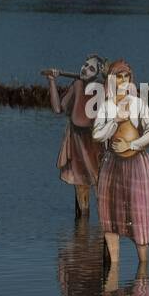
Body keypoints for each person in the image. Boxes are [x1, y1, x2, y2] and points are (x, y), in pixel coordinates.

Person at [92, 60, 149, 265]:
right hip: (112, 166)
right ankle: (113, 271)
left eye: (126, 77)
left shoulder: (138, 104)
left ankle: (143, 270)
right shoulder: (106, 106)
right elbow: (97, 135)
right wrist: (115, 121)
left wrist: (132, 146)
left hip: (137, 165)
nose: (122, 81)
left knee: (139, 217)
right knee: (110, 217)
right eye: (118, 77)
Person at [41, 55, 108, 218]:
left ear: (98, 73)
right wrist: (51, 81)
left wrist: (107, 77)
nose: (85, 69)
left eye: (91, 68)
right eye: (85, 65)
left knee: (100, 187)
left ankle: (104, 234)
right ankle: (81, 234)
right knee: (81, 187)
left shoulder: (102, 88)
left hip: (94, 144)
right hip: (76, 142)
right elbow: (58, 109)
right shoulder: (77, 85)